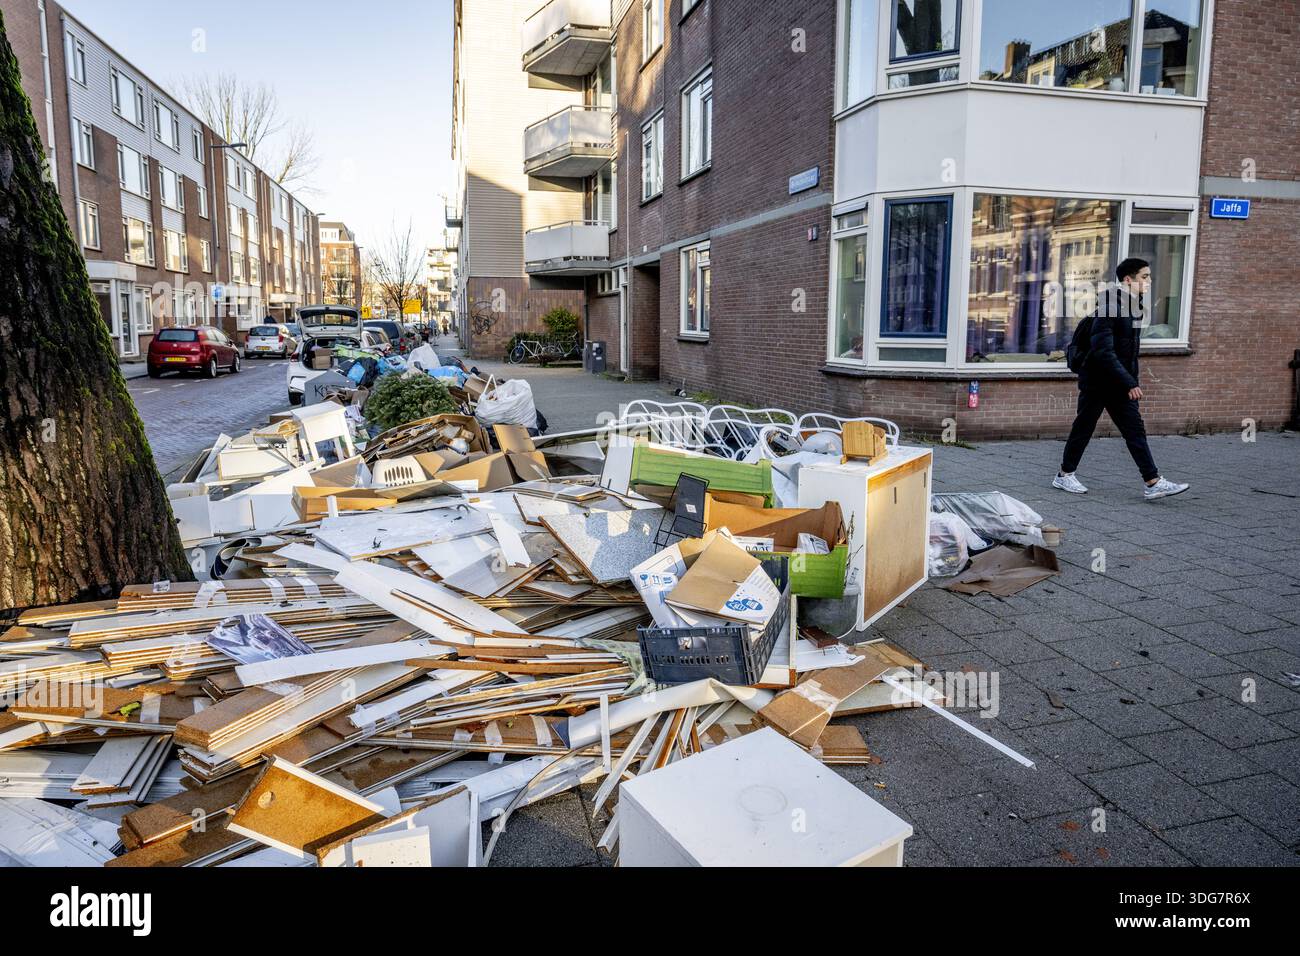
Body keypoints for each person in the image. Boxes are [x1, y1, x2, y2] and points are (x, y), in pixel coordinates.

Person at [1054, 257, 1189, 501]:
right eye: (1144, 277)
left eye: (1149, 277)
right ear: (1128, 280)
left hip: (1116, 383)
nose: (1149, 281)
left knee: (1134, 430)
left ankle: (1153, 482)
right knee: (1084, 428)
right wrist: (1130, 382)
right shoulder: (1111, 308)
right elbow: (1103, 351)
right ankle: (1064, 475)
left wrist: (1127, 380)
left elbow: (1127, 352)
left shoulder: (1130, 307)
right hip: (1098, 382)